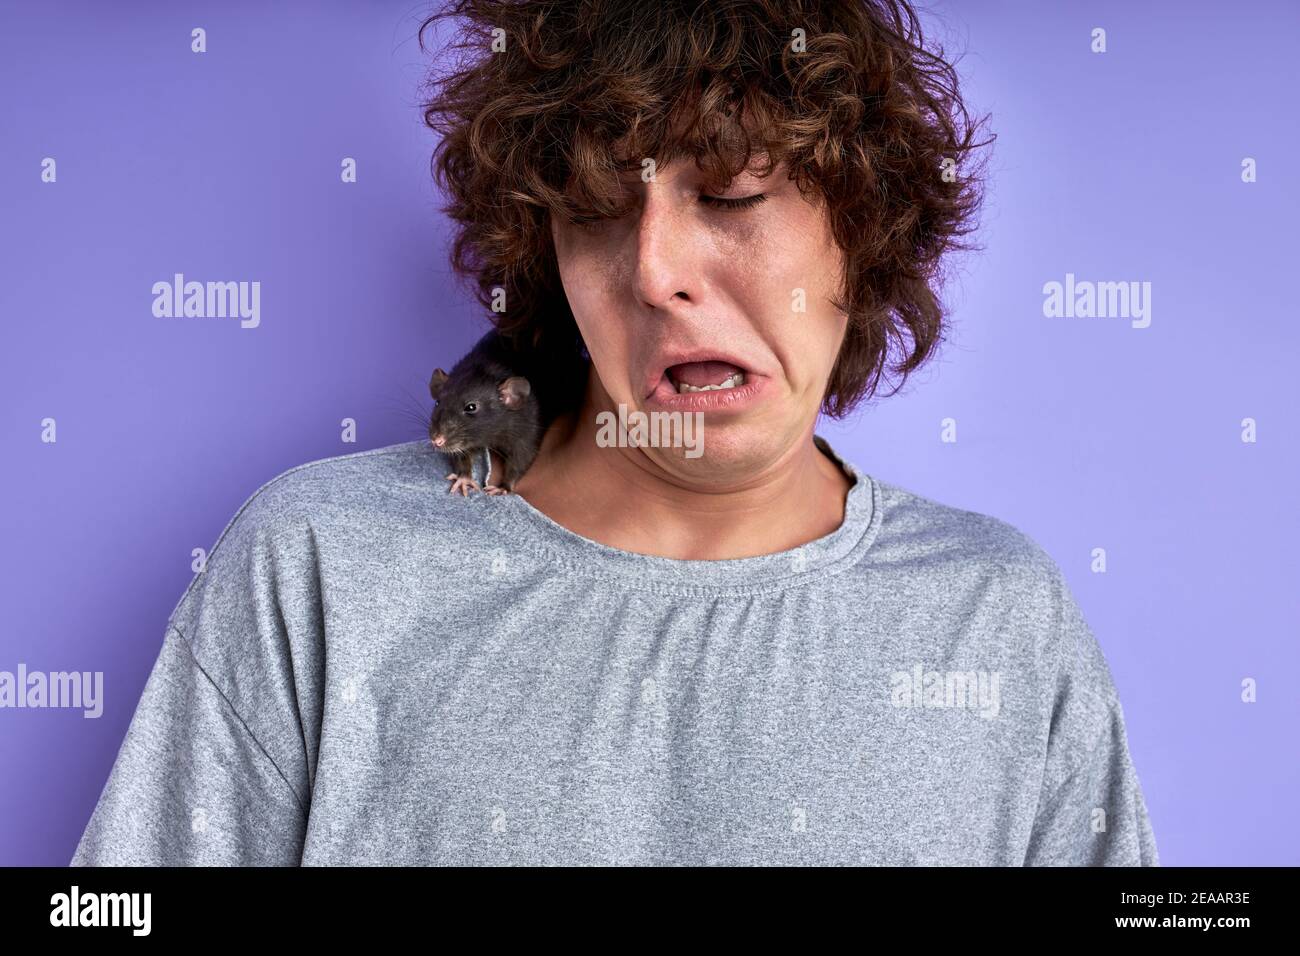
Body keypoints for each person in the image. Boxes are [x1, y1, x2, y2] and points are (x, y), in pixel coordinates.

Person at [71, 0, 1157, 865]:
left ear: (862, 232)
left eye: (730, 195)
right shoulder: (319, 565)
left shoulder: (998, 618)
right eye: (594, 210)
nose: (651, 270)